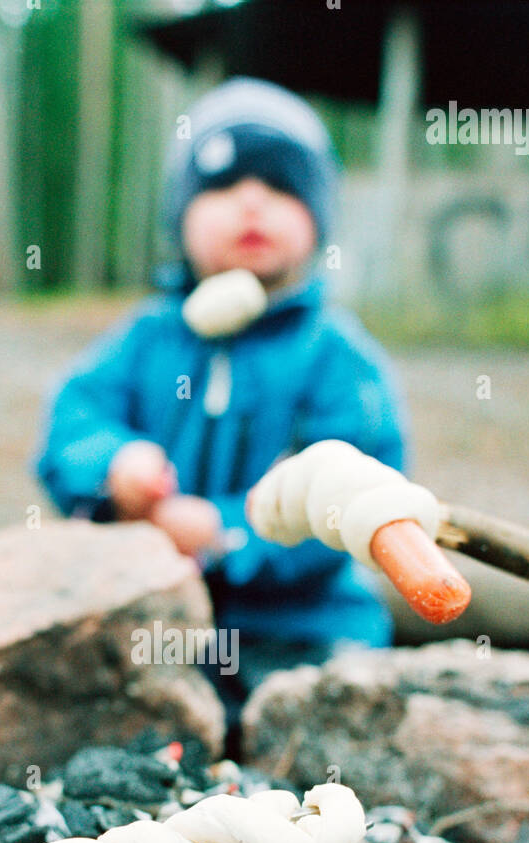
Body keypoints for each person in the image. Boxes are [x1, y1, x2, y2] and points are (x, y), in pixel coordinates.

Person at [33, 78, 409, 734]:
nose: (253, 201)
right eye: (224, 183)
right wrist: (117, 466)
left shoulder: (336, 356)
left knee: (320, 729)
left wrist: (223, 531)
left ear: (319, 219)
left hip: (301, 627)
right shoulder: (148, 338)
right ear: (180, 214)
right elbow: (73, 421)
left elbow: (355, 495)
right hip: (150, 618)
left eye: (282, 184)